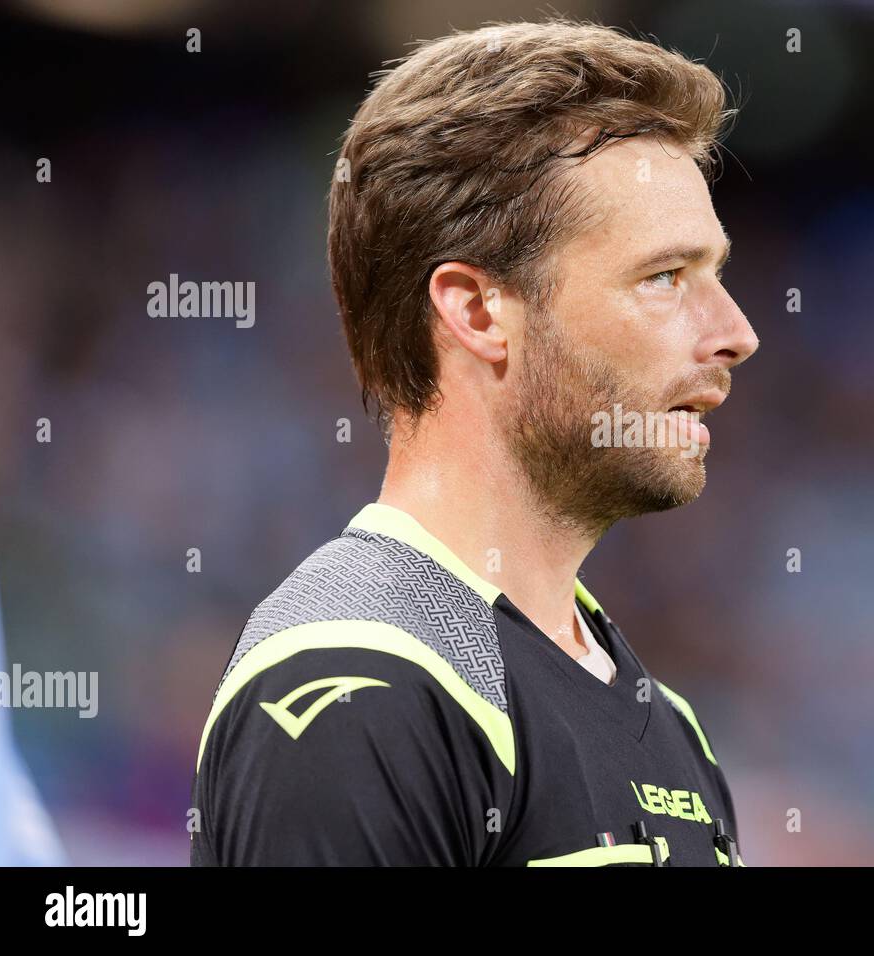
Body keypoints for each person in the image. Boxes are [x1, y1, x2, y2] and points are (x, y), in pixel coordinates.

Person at [191, 17, 759, 866]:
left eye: (716, 274)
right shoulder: (358, 684)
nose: (737, 332)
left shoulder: (669, 723)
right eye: (665, 277)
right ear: (477, 311)